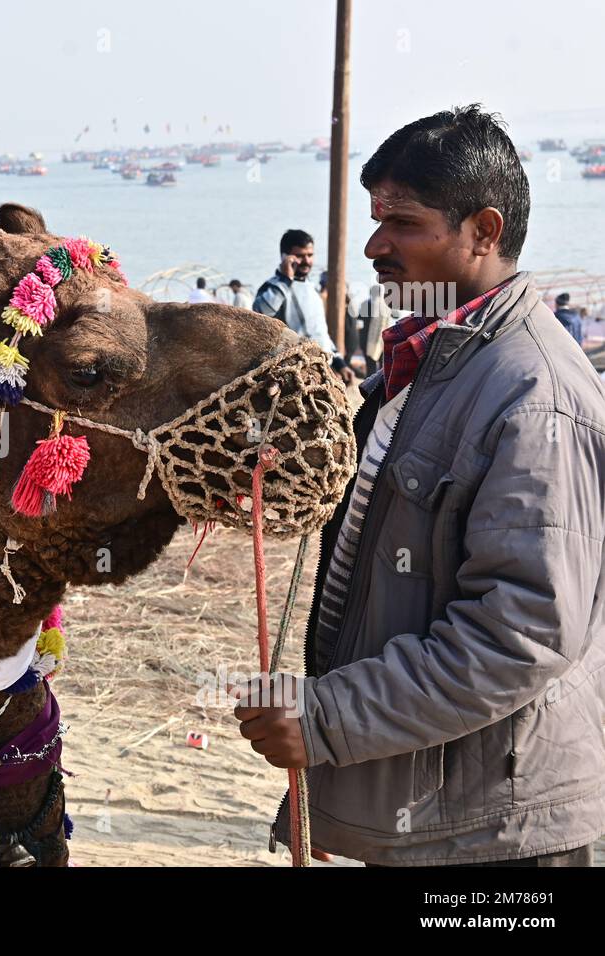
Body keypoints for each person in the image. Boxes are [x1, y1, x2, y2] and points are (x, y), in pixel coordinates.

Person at [235, 105, 605, 867]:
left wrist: (327, 718)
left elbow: (521, 632)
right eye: (375, 221)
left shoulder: (530, 394)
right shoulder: (423, 368)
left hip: (498, 834)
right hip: (437, 812)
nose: (374, 246)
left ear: (484, 230)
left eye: (403, 224)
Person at [253, 230, 353, 384]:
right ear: (285, 257)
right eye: (300, 256)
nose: (307, 261)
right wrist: (286, 279)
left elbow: (320, 332)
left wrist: (340, 362)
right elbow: (260, 312)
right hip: (292, 374)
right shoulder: (273, 287)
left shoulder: (312, 288)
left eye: (310, 255)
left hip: (321, 368)